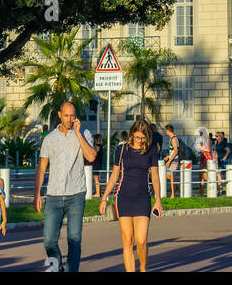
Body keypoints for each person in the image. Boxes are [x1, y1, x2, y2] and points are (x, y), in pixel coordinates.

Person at [34, 100, 97, 273]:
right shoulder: (49, 139)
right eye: (66, 116)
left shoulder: (84, 133)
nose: (70, 119)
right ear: (60, 115)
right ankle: (57, 268)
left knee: (74, 239)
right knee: (48, 240)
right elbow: (42, 167)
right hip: (53, 196)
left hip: (76, 194)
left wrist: (78, 133)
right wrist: (37, 194)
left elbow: (91, 157)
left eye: (73, 116)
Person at [100, 117, 163, 271]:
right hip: (124, 198)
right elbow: (114, 175)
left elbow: (155, 176)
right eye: (137, 137)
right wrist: (104, 198)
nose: (140, 140)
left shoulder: (151, 150)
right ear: (132, 134)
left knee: (141, 241)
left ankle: (142, 267)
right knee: (127, 241)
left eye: (143, 137)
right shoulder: (121, 150)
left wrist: (158, 199)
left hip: (142, 199)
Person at [164, 124, 180, 197]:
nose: (165, 132)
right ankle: (178, 186)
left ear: (168, 130)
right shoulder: (172, 138)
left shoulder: (173, 139)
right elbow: (172, 151)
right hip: (171, 159)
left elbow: (176, 151)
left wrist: (169, 161)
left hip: (174, 161)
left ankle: (173, 194)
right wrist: (168, 156)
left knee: (171, 177)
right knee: (168, 176)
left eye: (166, 130)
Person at [91, 134, 105, 198]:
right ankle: (99, 192)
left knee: (96, 179)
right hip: (99, 163)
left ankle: (97, 193)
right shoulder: (101, 145)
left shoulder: (97, 146)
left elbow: (94, 154)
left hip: (96, 164)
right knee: (98, 179)